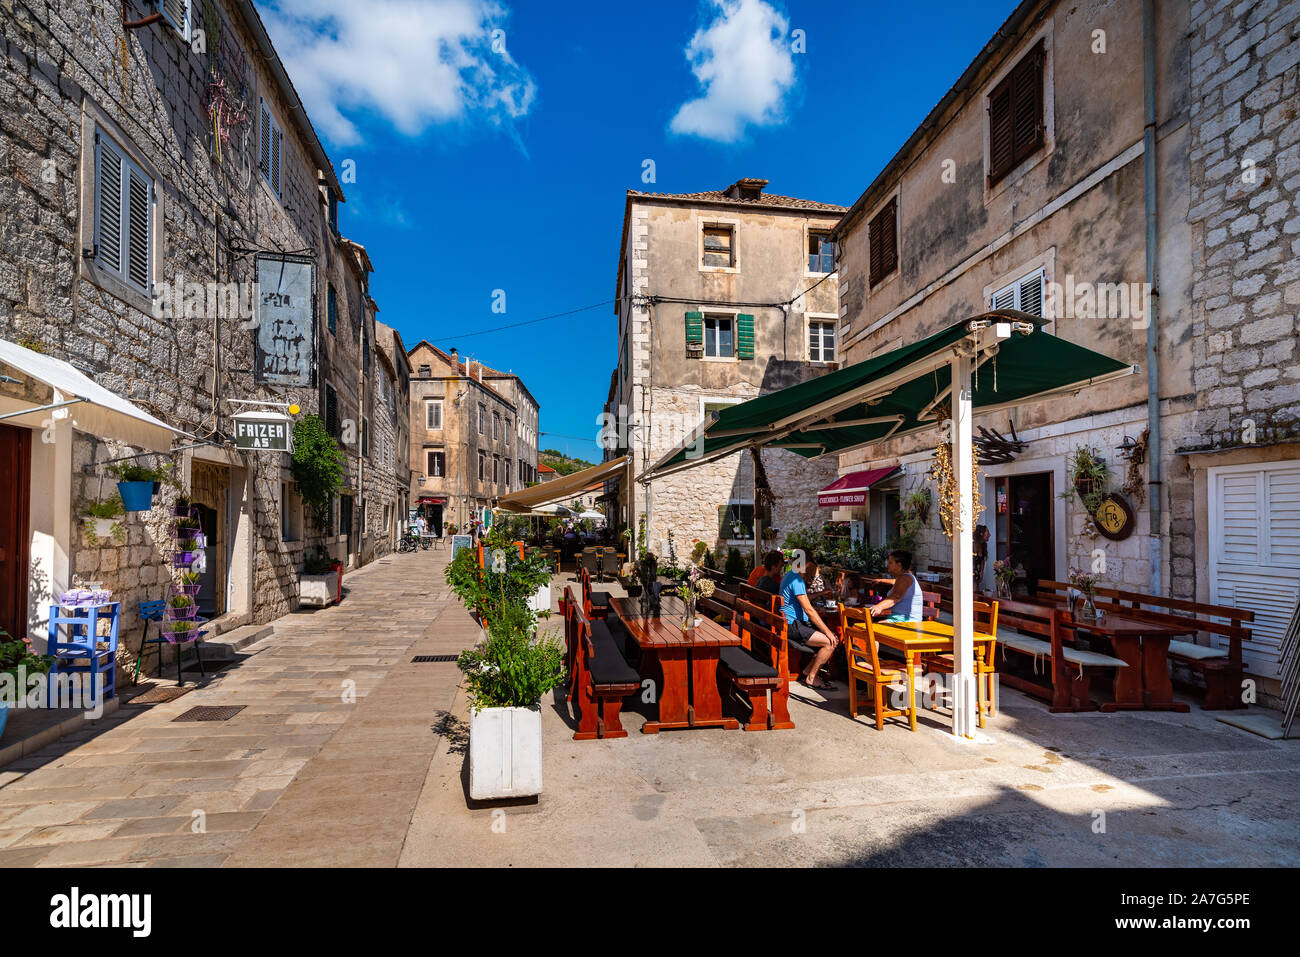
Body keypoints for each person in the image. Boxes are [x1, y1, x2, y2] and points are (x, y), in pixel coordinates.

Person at [779, 551, 841, 690]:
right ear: (806, 564)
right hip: (792, 625)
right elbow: (809, 610)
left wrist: (822, 593)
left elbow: (804, 598)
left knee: (827, 638)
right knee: (831, 642)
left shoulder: (789, 575)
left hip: (789, 623)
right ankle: (811, 678)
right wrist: (828, 632)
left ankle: (808, 671)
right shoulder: (797, 579)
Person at [869, 549, 924, 622]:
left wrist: (879, 607)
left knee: (872, 629)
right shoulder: (904, 578)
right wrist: (881, 580)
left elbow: (896, 597)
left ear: (899, 565)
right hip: (899, 618)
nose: (887, 565)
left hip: (908, 622)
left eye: (890, 563)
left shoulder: (905, 578)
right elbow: (895, 582)